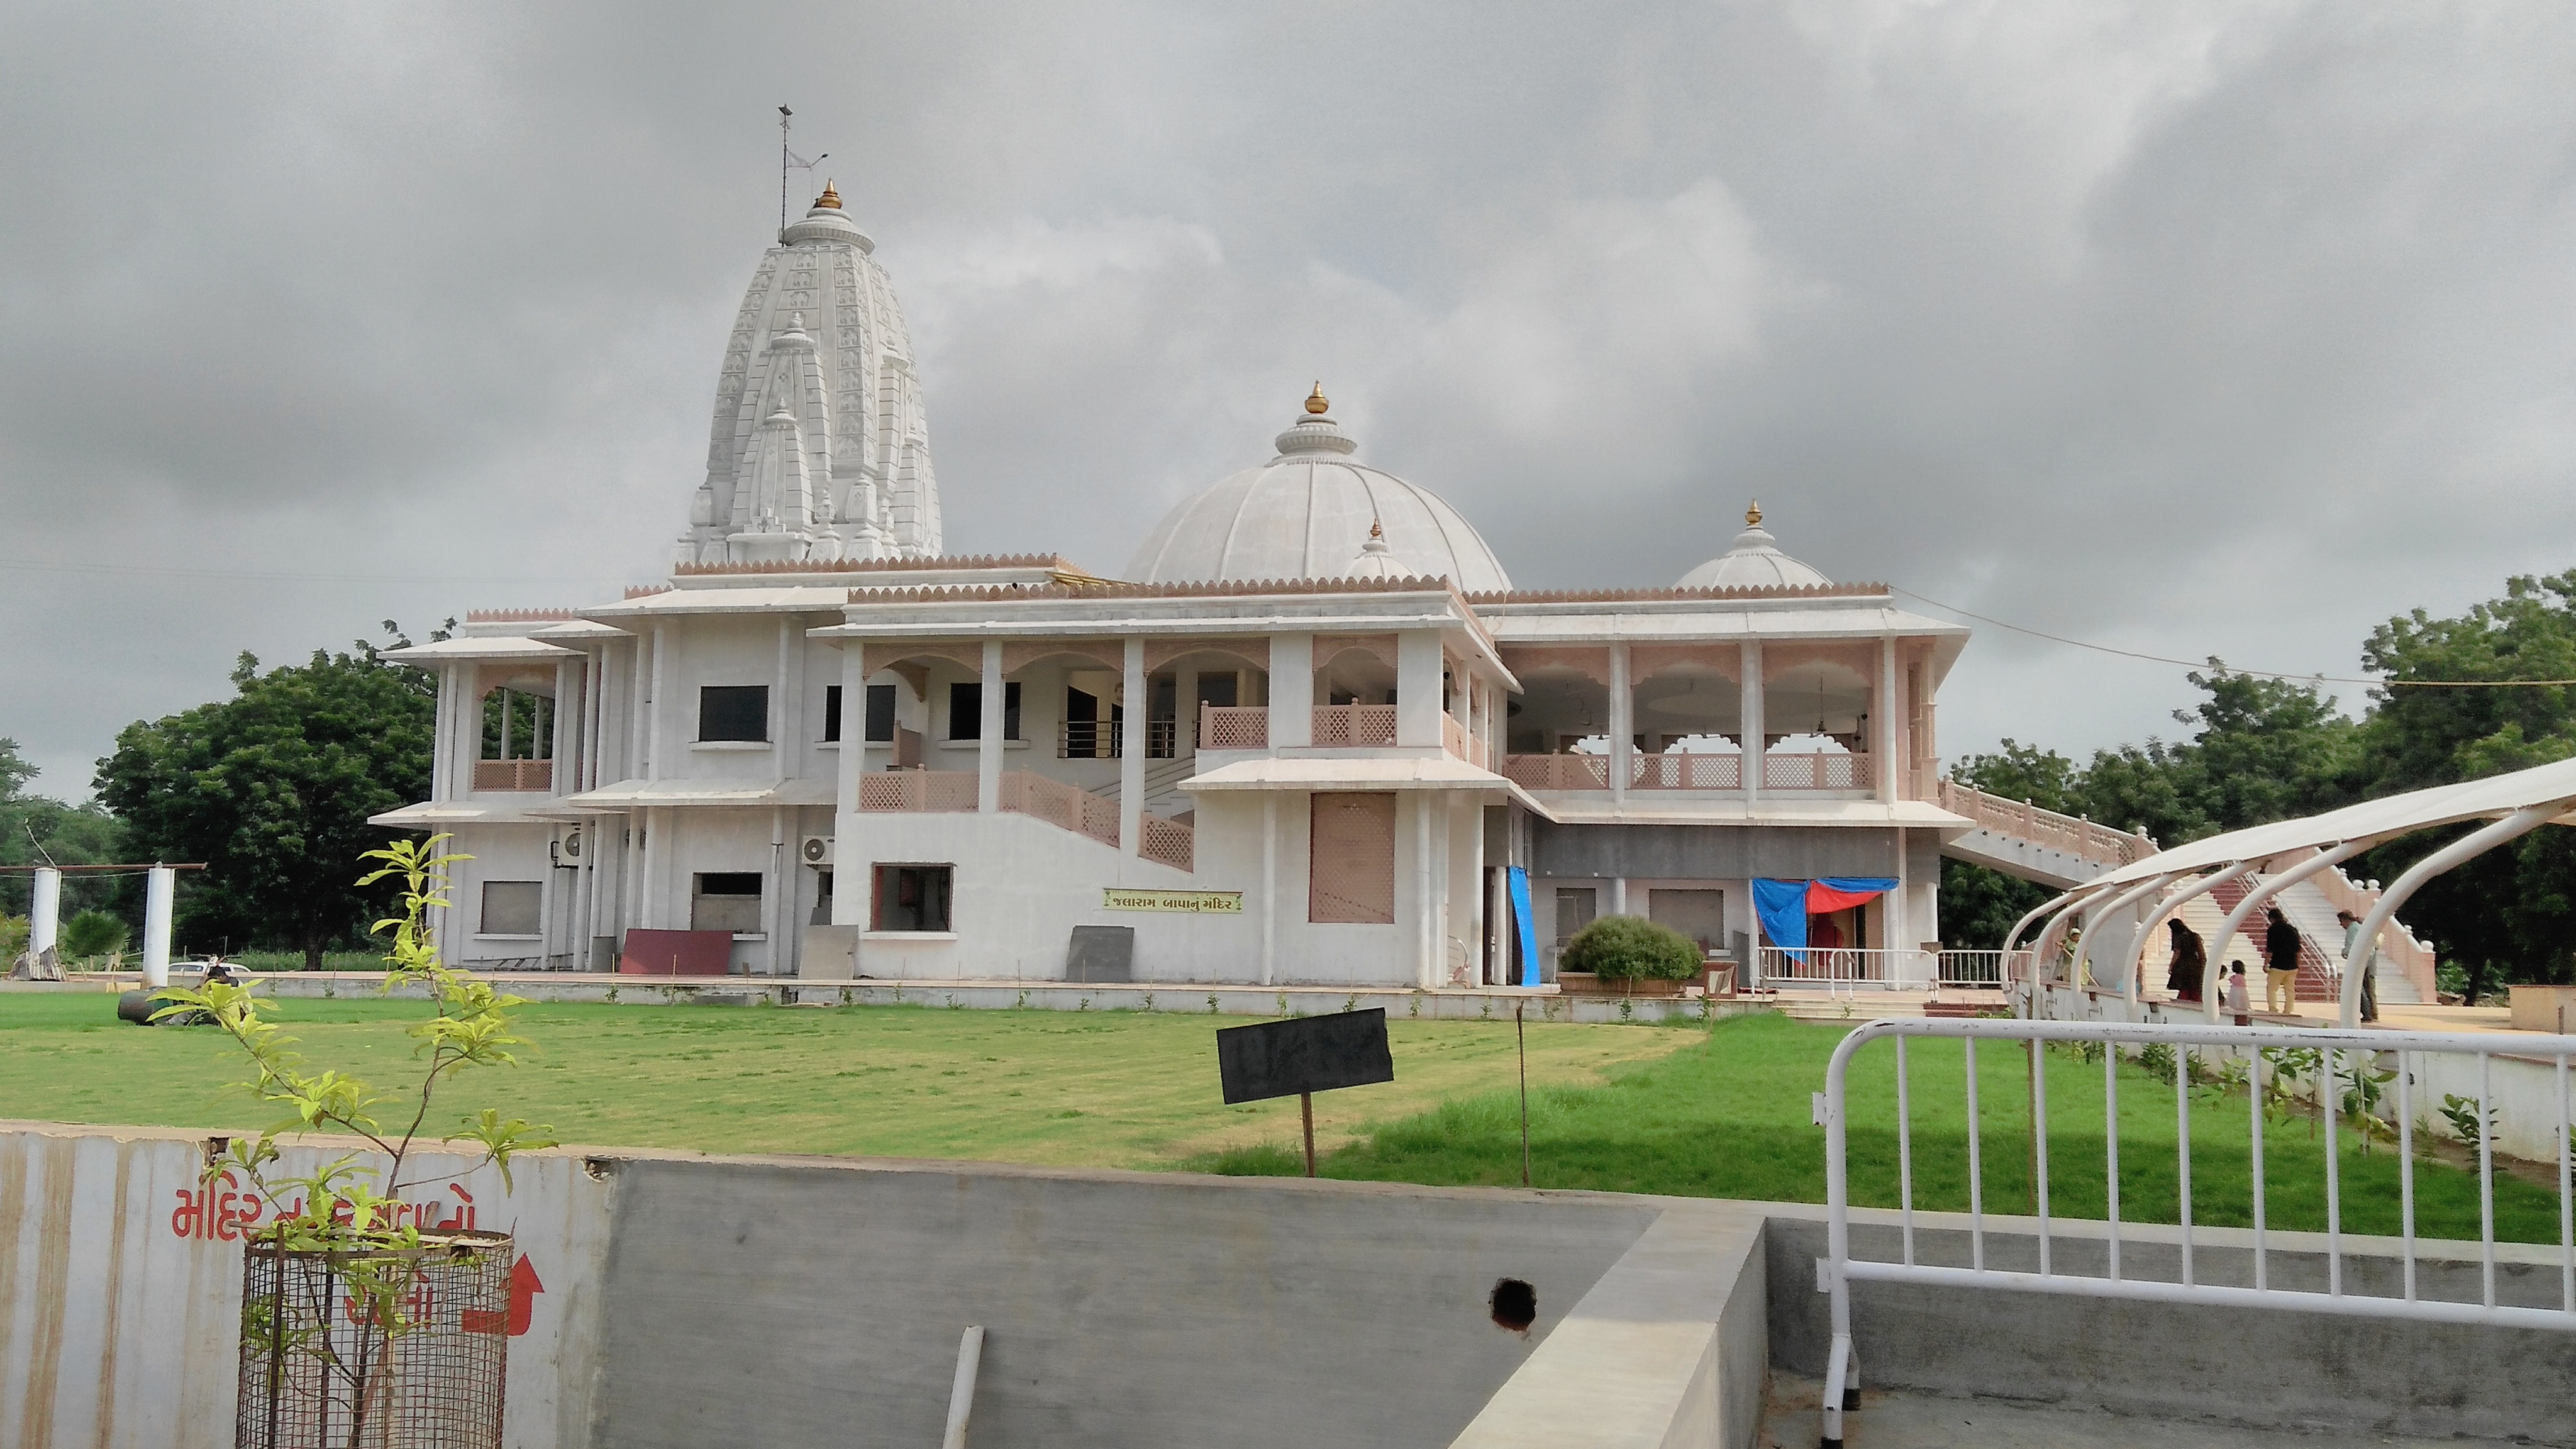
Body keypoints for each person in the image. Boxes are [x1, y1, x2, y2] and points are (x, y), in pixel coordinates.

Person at [2338, 909, 2380, 1023]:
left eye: (2341, 922)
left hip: (2360, 960)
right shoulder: (2361, 927)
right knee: (2368, 988)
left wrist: (2344, 952)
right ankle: (2372, 1014)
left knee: (2358, 988)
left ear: (2346, 920)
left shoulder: (2352, 929)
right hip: (2369, 959)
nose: (2341, 925)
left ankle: (2367, 1014)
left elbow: (2351, 946)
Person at [2262, 906, 2302, 1015]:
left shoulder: (2273, 930)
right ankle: (2288, 1011)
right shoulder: (2293, 929)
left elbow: (2270, 949)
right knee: (2290, 990)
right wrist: (2298, 964)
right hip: (2292, 965)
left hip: (2277, 964)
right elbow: (2298, 949)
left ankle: (2273, 1009)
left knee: (2272, 989)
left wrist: (2266, 964)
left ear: (2272, 919)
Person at [2164, 918, 2208, 1002]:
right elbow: (2201, 953)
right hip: (2194, 965)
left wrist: (2171, 965)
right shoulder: (2194, 936)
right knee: (2195, 989)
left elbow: (2177, 953)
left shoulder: (2178, 937)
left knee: (2184, 989)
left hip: (2182, 965)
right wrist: (2202, 964)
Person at [2223, 962, 2251, 1026]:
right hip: (2241, 991)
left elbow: (2234, 982)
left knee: (2236, 1002)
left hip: (2236, 990)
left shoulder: (2237, 977)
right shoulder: (2242, 976)